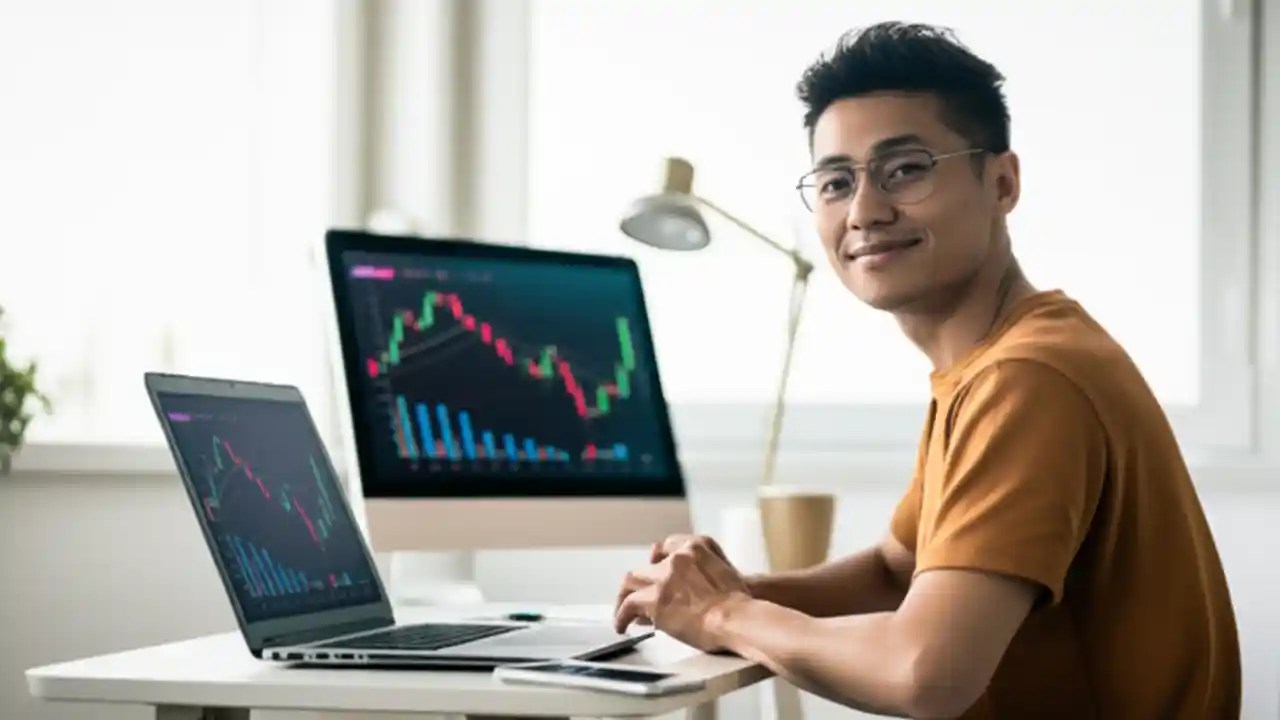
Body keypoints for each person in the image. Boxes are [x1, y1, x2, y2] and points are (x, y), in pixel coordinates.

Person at [613, 21, 1241, 719]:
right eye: (835, 181)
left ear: (1002, 181)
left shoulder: (1030, 379)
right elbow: (894, 572)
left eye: (905, 169)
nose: (865, 211)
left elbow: (926, 676)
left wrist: (726, 614)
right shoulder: (992, 364)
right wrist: (728, 593)